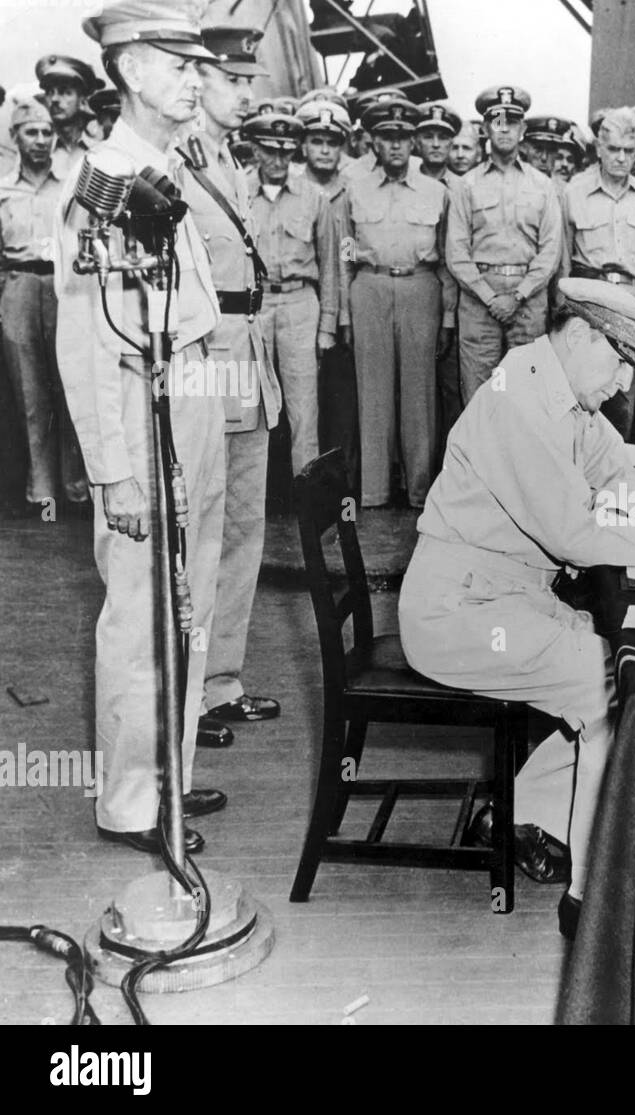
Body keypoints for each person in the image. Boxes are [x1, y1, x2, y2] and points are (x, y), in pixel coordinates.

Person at [398, 277, 635, 939]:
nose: (625, 383)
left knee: (616, 673)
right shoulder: (518, 399)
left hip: (506, 598)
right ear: (582, 335)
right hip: (457, 613)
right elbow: (575, 534)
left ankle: (525, 813)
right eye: (620, 360)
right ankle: (585, 895)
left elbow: (618, 474)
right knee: (604, 682)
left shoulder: (562, 393)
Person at [56, 0, 228, 853]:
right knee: (138, 614)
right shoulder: (105, 185)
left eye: (198, 64)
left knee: (185, 604)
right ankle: (130, 802)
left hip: (186, 394)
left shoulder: (166, 165)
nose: (196, 77)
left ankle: (172, 777)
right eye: (177, 63)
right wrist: (112, 472)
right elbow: (85, 346)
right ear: (127, 69)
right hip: (136, 409)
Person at [187, 25, 284, 740]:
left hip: (249, 354)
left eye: (252, 80)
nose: (250, 93)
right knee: (203, 531)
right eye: (237, 80)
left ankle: (221, 682)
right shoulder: (178, 163)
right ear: (201, 80)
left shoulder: (230, 160)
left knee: (244, 527)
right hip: (207, 353)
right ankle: (186, 696)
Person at [345, 96, 456, 508]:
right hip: (370, 287)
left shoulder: (436, 191)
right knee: (372, 394)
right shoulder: (353, 190)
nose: (395, 146)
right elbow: (343, 248)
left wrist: (446, 317)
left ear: (414, 143)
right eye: (386, 137)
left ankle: (420, 490)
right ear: (373, 141)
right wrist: (345, 307)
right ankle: (373, 491)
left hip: (419, 288)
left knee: (419, 395)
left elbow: (447, 258)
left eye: (403, 138)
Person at [559, 106, 635, 440]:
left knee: (623, 400)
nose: (622, 158)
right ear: (598, 149)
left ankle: (616, 483)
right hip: (588, 302)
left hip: (633, 303)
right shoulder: (574, 193)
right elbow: (563, 260)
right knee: (581, 395)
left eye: (630, 151)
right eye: (614, 150)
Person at [1, 96, 89, 515]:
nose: (39, 140)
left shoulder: (70, 184)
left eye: (46, 133)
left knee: (69, 384)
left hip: (63, 286)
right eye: (30, 132)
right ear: (14, 137)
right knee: (29, 393)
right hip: (18, 287)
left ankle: (78, 487)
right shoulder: (3, 187)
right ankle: (43, 491)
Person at [446, 84, 561, 401]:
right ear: (485, 129)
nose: (505, 129)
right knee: (480, 396)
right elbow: (456, 252)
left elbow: (550, 252)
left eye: (512, 122)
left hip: (528, 301)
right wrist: (490, 297)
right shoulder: (466, 186)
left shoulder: (543, 186)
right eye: (497, 122)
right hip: (479, 301)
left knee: (526, 396)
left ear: (523, 129)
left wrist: (518, 296)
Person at [245, 112, 340, 477]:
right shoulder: (238, 191)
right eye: (269, 151)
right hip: (254, 304)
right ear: (254, 150)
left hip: (301, 305)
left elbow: (332, 261)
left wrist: (328, 326)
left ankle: (308, 500)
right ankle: (254, 495)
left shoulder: (314, 197)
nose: (278, 161)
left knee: (303, 408)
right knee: (250, 403)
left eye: (285, 153)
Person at [296, 98, 359, 491]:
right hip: (303, 303)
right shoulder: (294, 187)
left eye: (332, 142)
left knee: (340, 402)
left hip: (341, 306)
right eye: (316, 140)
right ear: (303, 145)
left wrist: (345, 315)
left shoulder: (350, 189)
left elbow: (349, 252)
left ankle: (340, 485)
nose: (323, 150)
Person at [34, 54, 101, 178]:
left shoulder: (100, 145)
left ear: (82, 100)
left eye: (64, 92)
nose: (54, 99)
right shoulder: (39, 148)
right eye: (49, 92)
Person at [414, 100, 462, 185]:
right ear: (417, 143)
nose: (436, 144)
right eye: (428, 137)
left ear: (451, 144)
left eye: (443, 138)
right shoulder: (404, 184)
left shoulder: (464, 188)